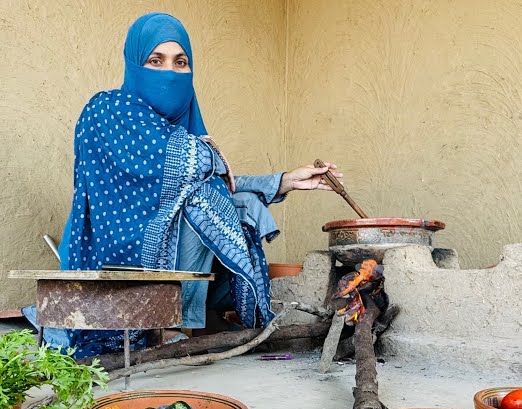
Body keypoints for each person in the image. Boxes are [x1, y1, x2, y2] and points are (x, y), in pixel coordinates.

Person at [39, 12, 341, 358]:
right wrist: (207, 152)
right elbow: (188, 165)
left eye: (180, 63)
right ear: (135, 63)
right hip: (114, 257)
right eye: (156, 60)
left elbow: (216, 181)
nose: (169, 72)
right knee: (203, 196)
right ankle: (161, 325)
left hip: (171, 255)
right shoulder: (108, 108)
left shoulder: (183, 131)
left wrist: (286, 181)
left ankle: (182, 322)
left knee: (230, 200)